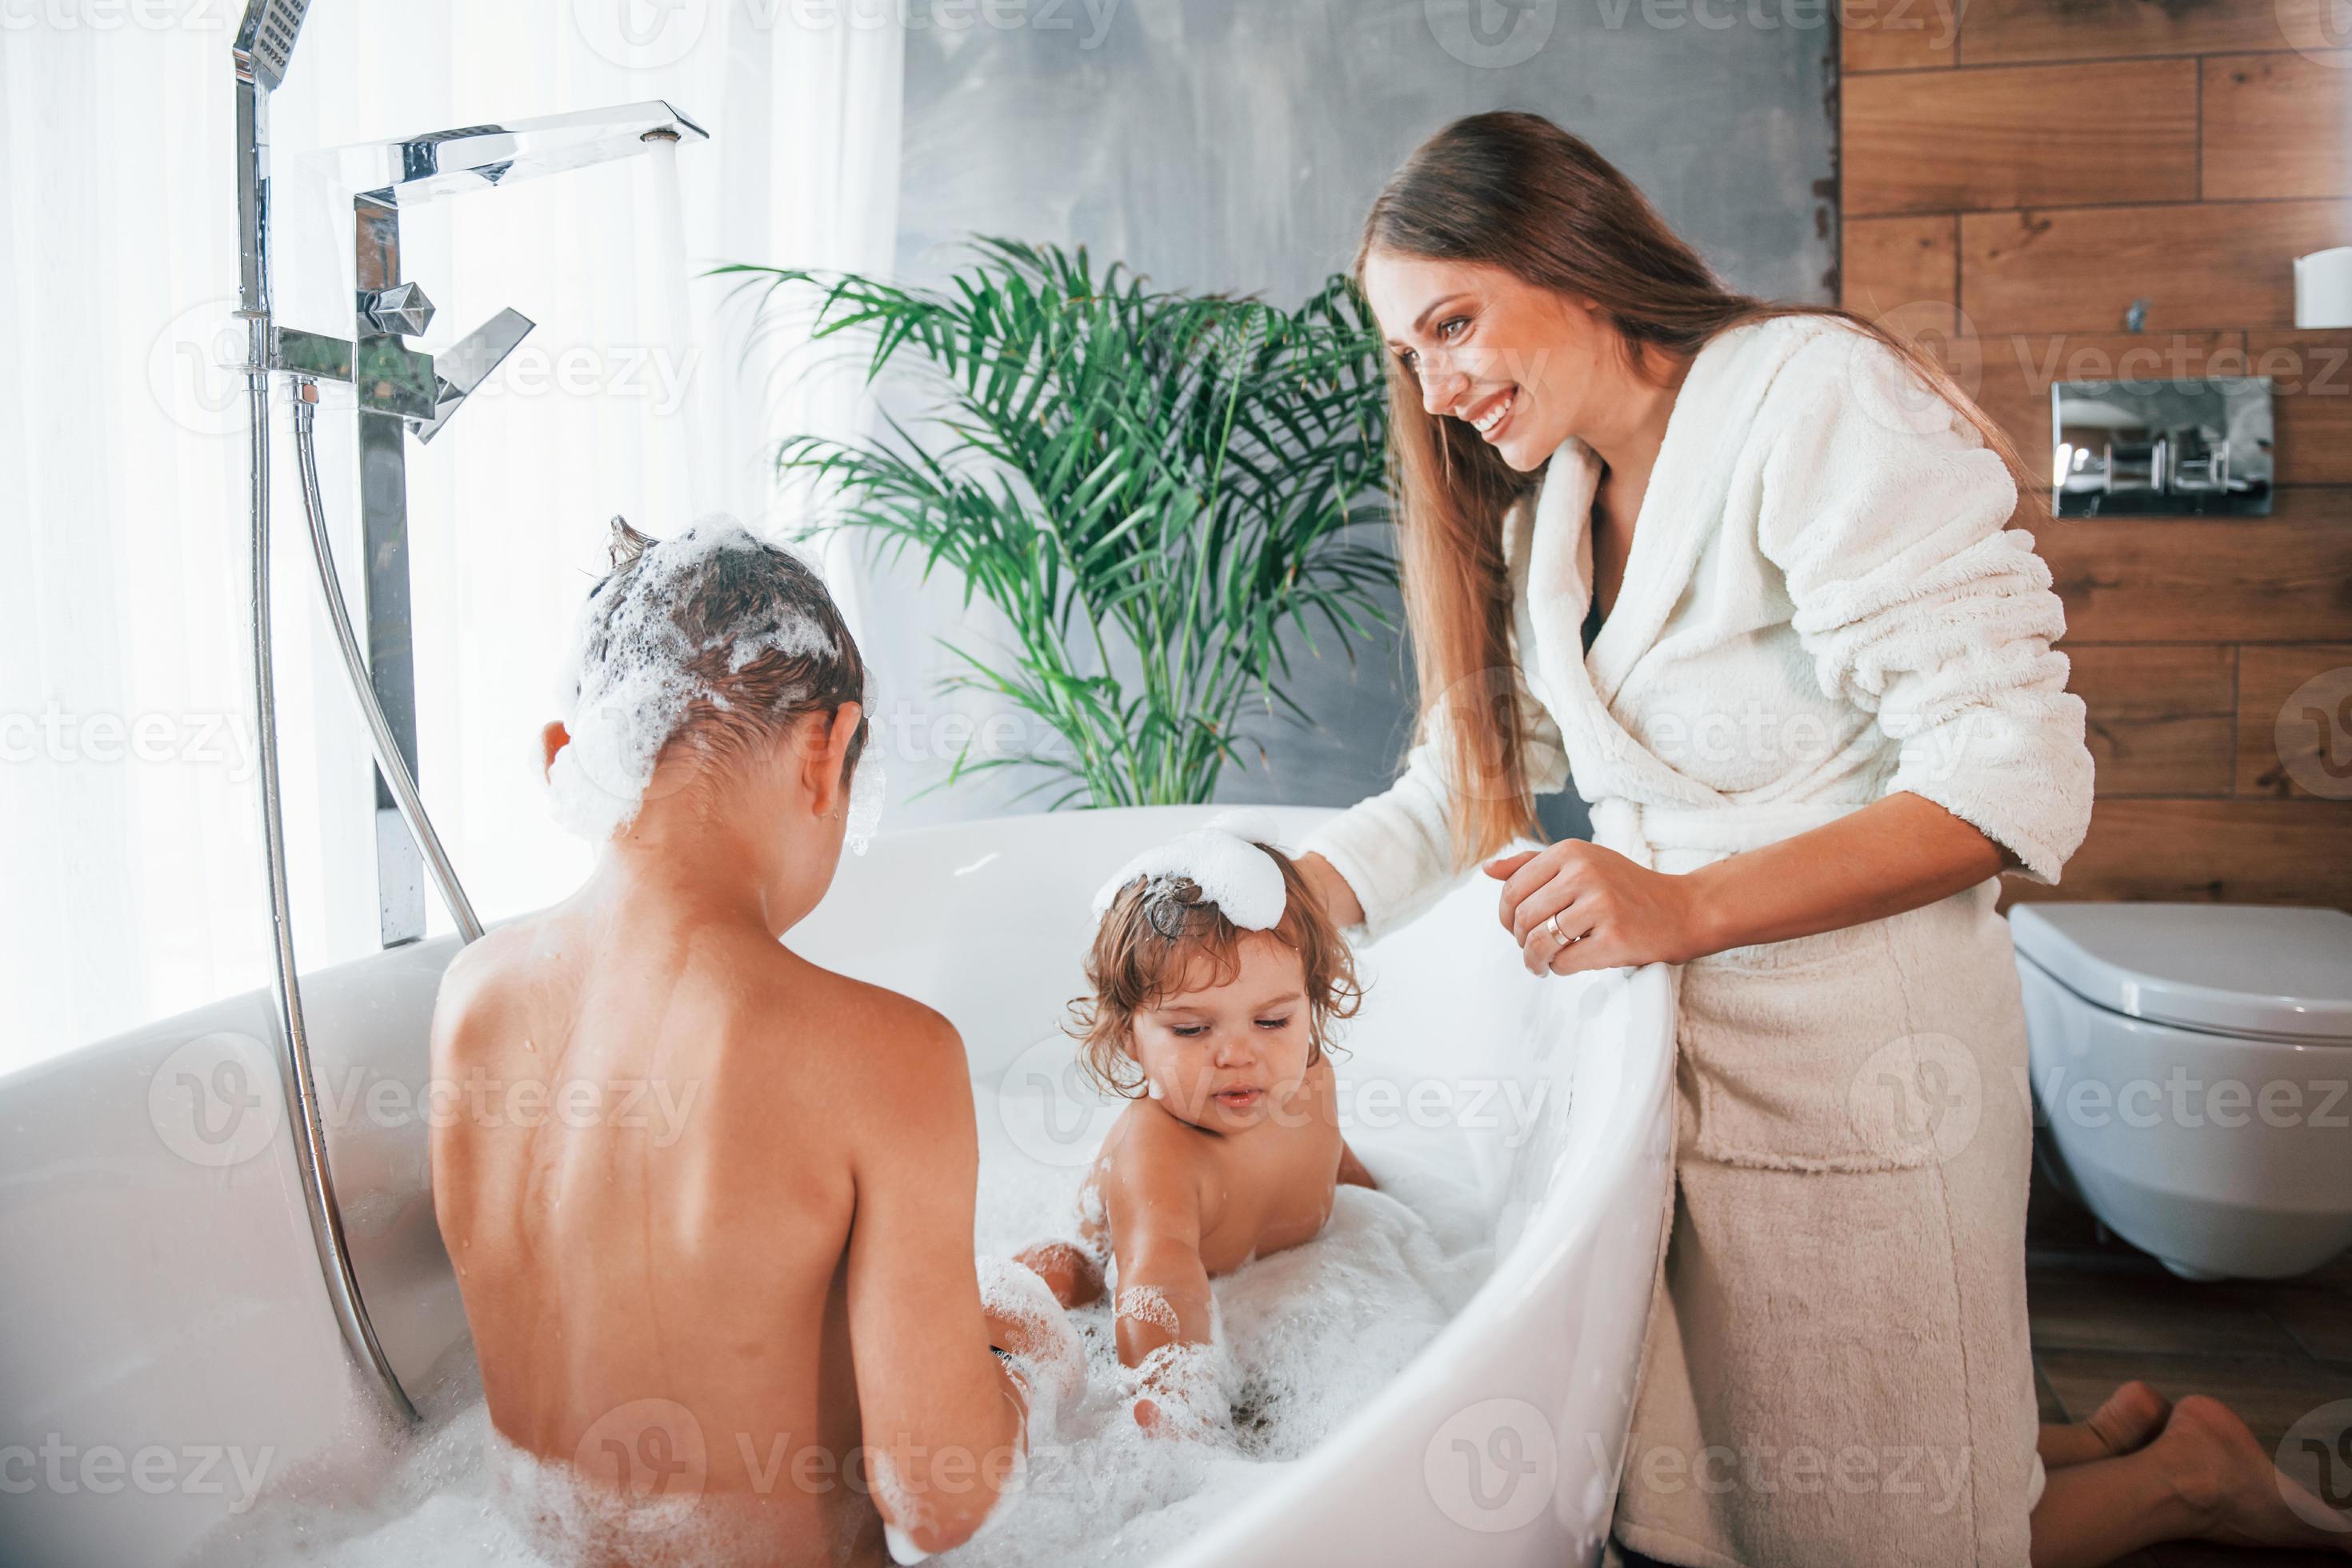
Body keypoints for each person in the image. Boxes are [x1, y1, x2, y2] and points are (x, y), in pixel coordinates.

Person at [1293, 111, 2351, 1566]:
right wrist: (1277, 899)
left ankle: (2186, 1480)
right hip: (1673, 1067)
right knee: (1735, 1492)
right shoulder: (1556, 520)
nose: (1438, 383)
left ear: (1568, 253)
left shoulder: (1806, 401)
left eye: (1455, 321)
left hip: (1867, 1068)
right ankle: (2105, 1448)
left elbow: (2016, 775)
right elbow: (1457, 784)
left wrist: (1680, 906)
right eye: (1410, 354)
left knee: (1886, 1528)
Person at [429, 518, 1082, 1568]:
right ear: (826, 752)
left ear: (564, 760)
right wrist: (1028, 1349)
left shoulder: (471, 1000)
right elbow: (942, 1503)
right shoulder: (886, 1056)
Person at [1014, 814, 1375, 1436]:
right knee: (1056, 1277)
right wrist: (1180, 1406)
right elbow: (1159, 1287)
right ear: (1129, 1036)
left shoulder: (1309, 1080)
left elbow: (1336, 1161)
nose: (1238, 1054)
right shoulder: (1159, 1149)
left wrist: (1396, 1225)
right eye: (1191, 1029)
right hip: (1107, 1274)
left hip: (1258, 1288)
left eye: (1272, 1022)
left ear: (1311, 1008)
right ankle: (987, 1330)